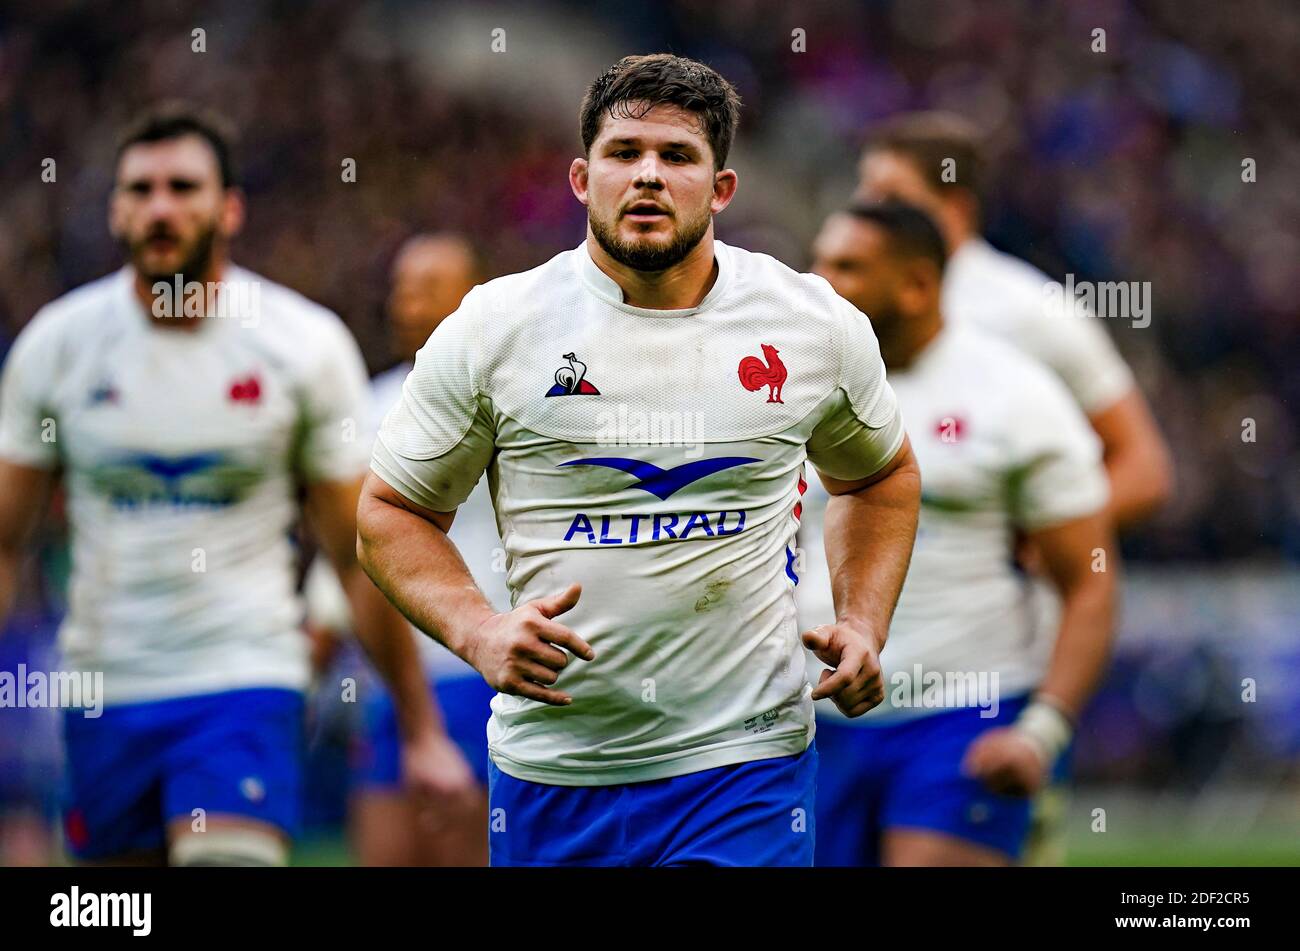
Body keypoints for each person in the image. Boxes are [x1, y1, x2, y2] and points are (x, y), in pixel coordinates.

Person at [356, 54, 921, 867]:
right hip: (555, 771)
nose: (648, 176)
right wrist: (478, 631)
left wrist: (865, 619)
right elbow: (390, 511)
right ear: (583, 179)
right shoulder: (496, 327)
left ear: (721, 188)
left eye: (677, 156)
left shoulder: (811, 323)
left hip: (744, 764)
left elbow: (879, 476)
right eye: (625, 155)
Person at [0, 105, 462, 865]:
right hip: (103, 689)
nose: (160, 207)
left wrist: (418, 729)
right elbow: (6, 540)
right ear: (114, 209)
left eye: (183, 187)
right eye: (140, 189)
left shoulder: (300, 344)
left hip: (244, 679)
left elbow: (357, 555)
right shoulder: (57, 347)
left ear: (230, 207)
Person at [856, 112, 1173, 862]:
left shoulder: (1030, 314)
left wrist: (1037, 531)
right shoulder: (851, 302)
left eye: (892, 194)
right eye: (865, 192)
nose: (872, 212)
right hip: (868, 666)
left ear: (955, 207)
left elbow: (1144, 465)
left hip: (990, 663)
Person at [802, 201, 1117, 865]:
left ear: (916, 285)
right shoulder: (791, 389)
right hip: (807, 722)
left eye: (847, 267)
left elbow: (1090, 583)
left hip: (961, 717)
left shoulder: (1017, 396)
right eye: (822, 260)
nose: (819, 280)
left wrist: (1041, 731)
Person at [305, 233, 497, 866]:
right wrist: (323, 630)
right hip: (390, 673)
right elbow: (351, 541)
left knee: (464, 848)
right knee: (386, 848)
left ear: (472, 297)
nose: (409, 305)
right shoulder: (370, 404)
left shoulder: (514, 400)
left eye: (427, 289)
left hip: (479, 669)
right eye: (402, 290)